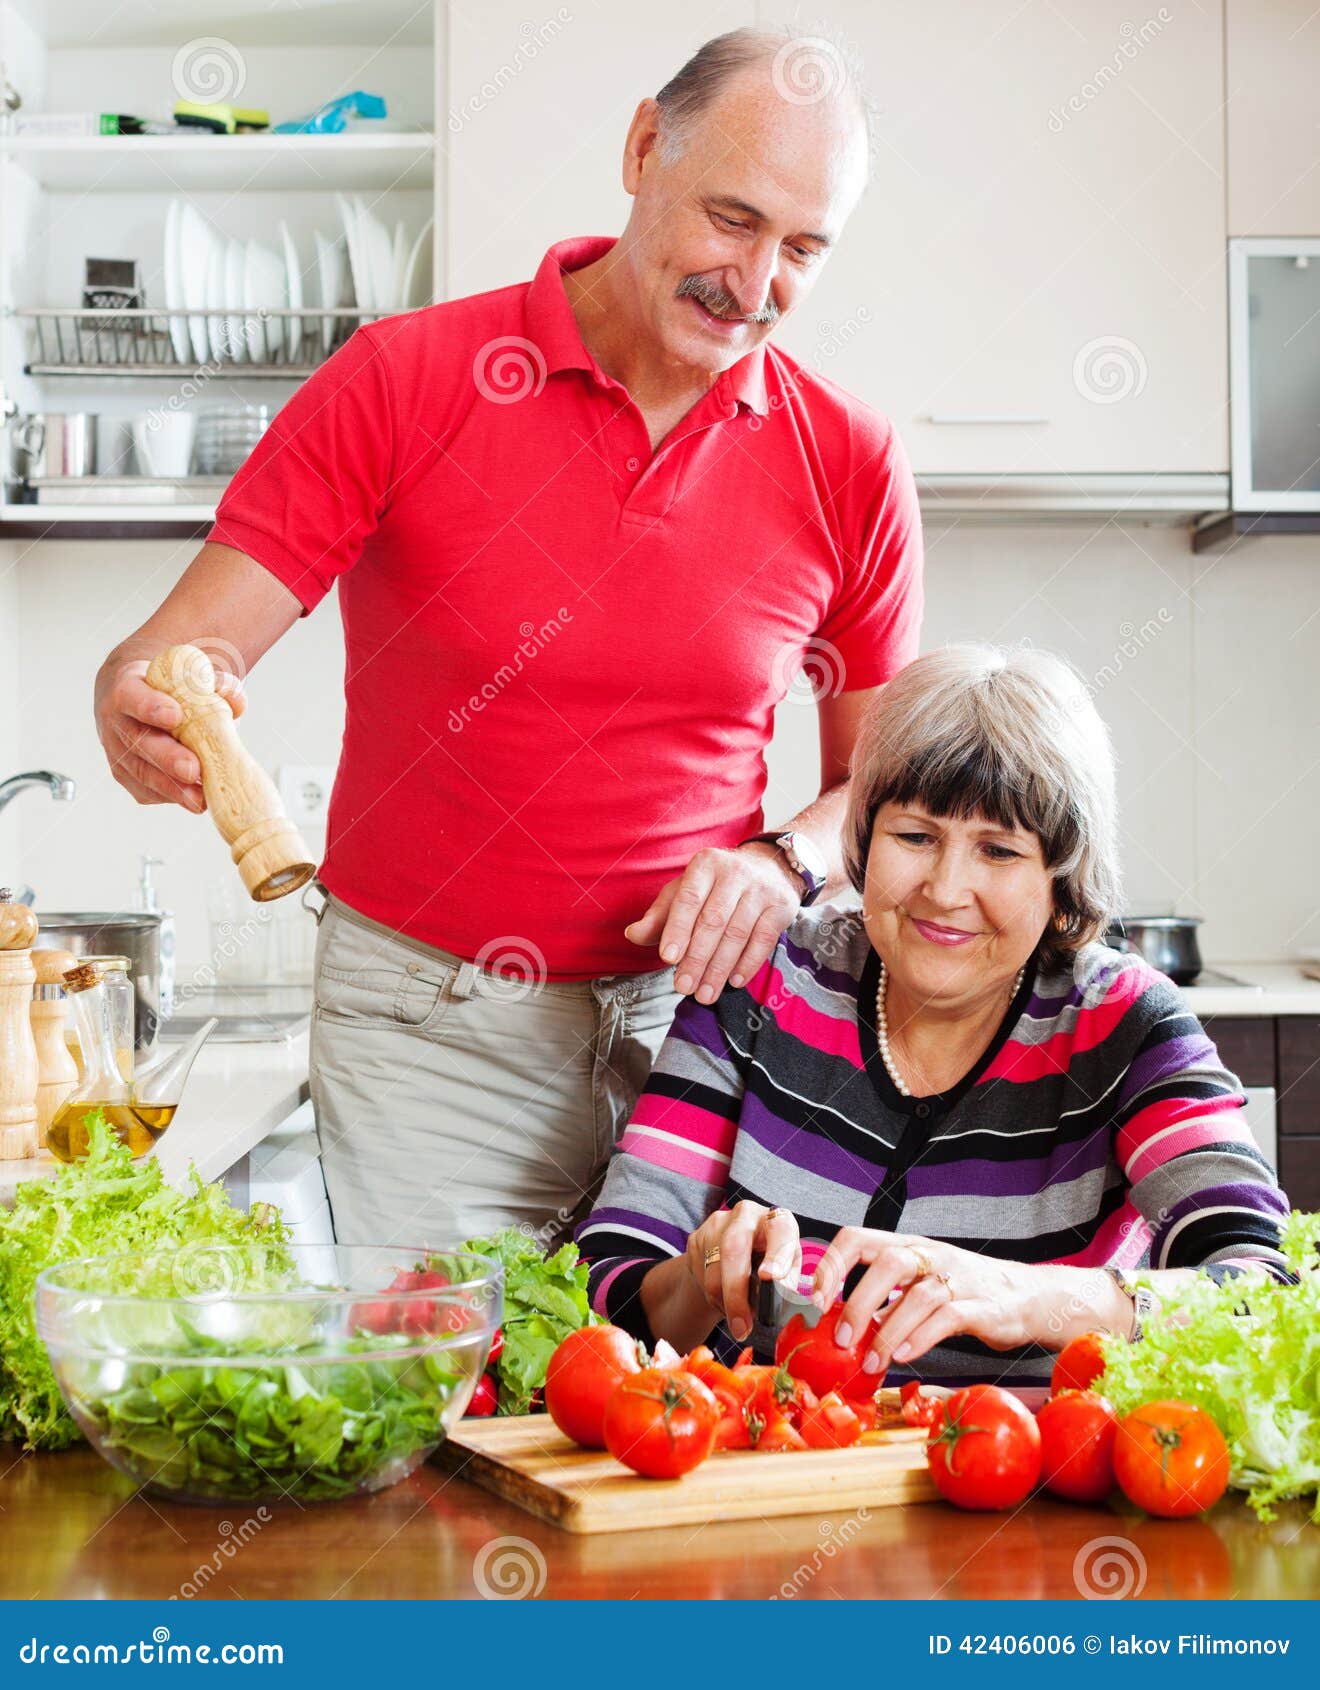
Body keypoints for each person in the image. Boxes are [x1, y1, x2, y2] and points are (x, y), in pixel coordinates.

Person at [92, 28, 923, 1245]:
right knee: (446, 1402)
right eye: (732, 220)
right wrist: (138, 707)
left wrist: (779, 865)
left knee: (677, 1399)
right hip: (428, 1025)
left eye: (802, 249)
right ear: (644, 149)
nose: (754, 285)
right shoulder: (405, 380)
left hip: (705, 1026)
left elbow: (880, 792)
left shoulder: (850, 460)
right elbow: (169, 655)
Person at [577, 644, 1292, 1387]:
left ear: (1061, 879)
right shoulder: (762, 982)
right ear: (863, 841)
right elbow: (609, 1280)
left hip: (1036, 1489)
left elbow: (1267, 1298)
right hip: (769, 1466)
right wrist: (702, 1272)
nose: (947, 890)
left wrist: (1026, 1294)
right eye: (914, 836)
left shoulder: (1126, 1023)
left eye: (1000, 851)